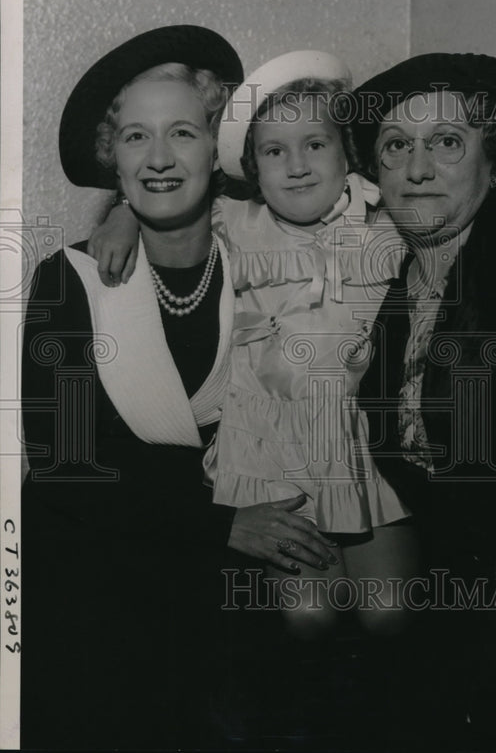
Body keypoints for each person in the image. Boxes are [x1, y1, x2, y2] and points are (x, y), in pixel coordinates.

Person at [21, 26, 339, 751]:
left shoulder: (268, 256)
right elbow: (64, 465)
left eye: (183, 133)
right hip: (102, 566)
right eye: (136, 136)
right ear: (114, 157)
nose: (159, 158)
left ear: (217, 148)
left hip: (232, 566)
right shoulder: (65, 280)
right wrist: (223, 522)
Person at [87, 50, 421, 641]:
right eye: (274, 151)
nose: (295, 165)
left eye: (315, 144)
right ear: (251, 169)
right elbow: (162, 190)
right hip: (268, 457)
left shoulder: (386, 225)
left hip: (355, 448)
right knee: (309, 618)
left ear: (348, 152)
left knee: (391, 613)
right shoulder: (235, 222)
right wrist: (120, 217)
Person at [355, 52, 496, 750]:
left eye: (446, 143)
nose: (417, 169)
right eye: (397, 146)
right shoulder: (388, 283)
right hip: (443, 601)